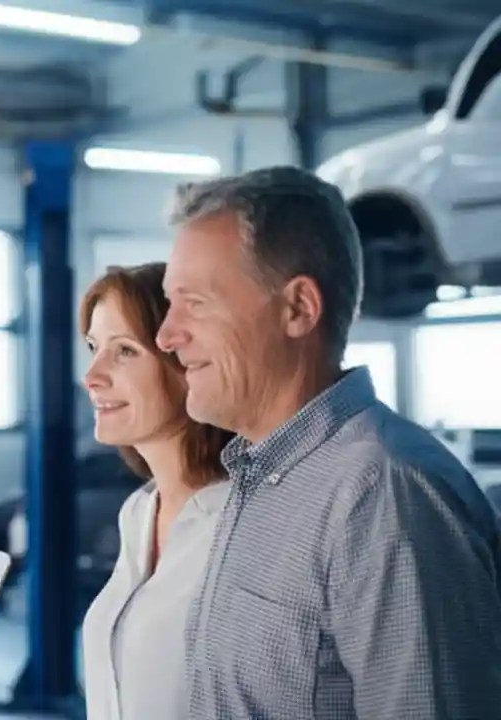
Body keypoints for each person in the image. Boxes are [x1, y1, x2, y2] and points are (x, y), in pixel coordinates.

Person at [155, 165, 501, 718]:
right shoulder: (261, 476)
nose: (167, 335)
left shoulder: (384, 495)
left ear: (298, 309)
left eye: (194, 303)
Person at [77, 262, 234, 720]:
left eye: (124, 351)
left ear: (188, 364)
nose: (92, 376)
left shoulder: (242, 522)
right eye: (93, 347)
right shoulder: (140, 512)